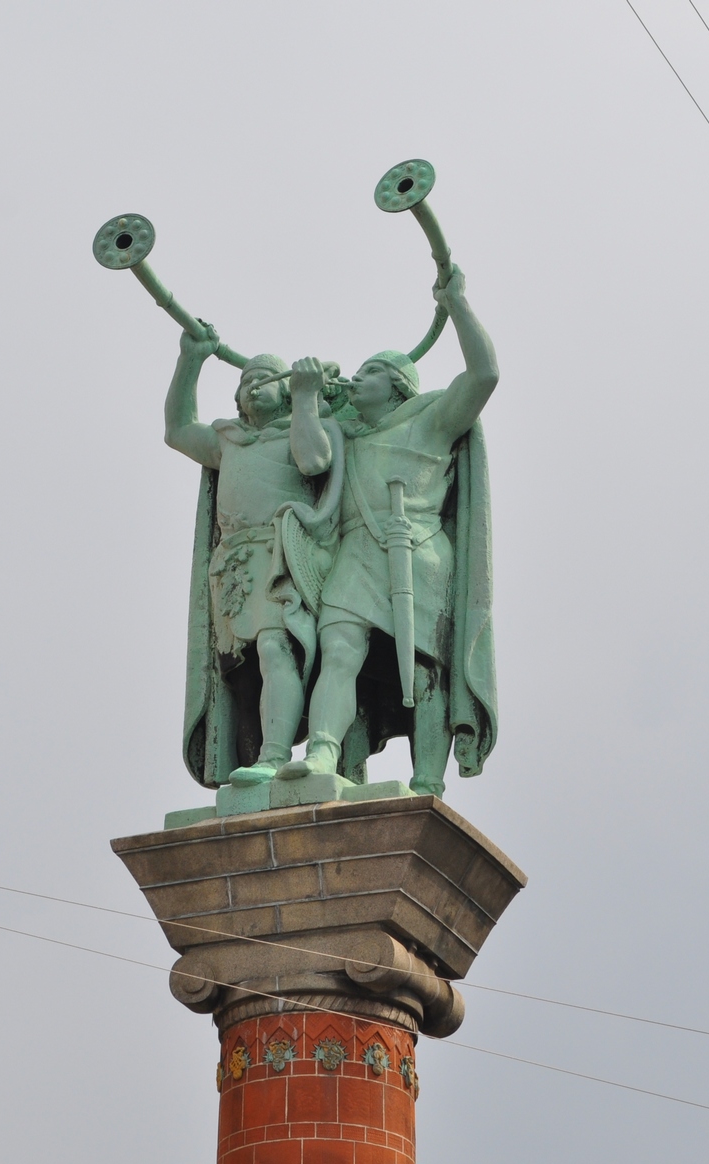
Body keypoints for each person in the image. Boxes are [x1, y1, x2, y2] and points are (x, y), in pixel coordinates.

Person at [276, 265, 499, 796]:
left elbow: (485, 374)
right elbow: (309, 461)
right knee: (339, 650)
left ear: (397, 386)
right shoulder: (344, 431)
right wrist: (305, 397)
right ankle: (324, 749)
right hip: (356, 549)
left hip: (416, 547)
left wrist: (458, 303)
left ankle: (427, 781)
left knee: (423, 670)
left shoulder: (431, 418)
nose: (357, 378)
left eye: (370, 371)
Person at [164, 329, 341, 788]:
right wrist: (191, 360)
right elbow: (178, 429)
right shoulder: (229, 440)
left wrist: (306, 398)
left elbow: (315, 461)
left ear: (284, 391)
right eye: (246, 382)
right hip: (232, 566)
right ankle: (253, 753)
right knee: (242, 676)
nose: (254, 387)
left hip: (280, 555)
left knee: (275, 646)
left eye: (265, 379)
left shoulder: (298, 428)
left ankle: (275, 756)